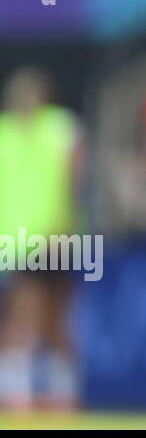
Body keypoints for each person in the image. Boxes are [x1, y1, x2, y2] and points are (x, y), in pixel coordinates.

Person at [0, 67, 83, 411]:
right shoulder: (5, 133)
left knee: (50, 320)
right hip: (14, 242)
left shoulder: (59, 127)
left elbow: (75, 176)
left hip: (53, 237)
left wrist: (65, 224)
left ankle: (47, 394)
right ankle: (25, 394)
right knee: (24, 316)